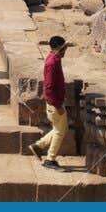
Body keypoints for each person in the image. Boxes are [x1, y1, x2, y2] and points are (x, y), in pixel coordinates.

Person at [31, 35, 70, 169]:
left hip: (55, 102)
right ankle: (50, 159)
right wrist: (58, 105)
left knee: (59, 129)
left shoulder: (54, 59)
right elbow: (49, 87)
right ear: (58, 47)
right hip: (54, 104)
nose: (65, 51)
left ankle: (38, 146)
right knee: (60, 131)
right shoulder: (52, 63)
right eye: (64, 48)